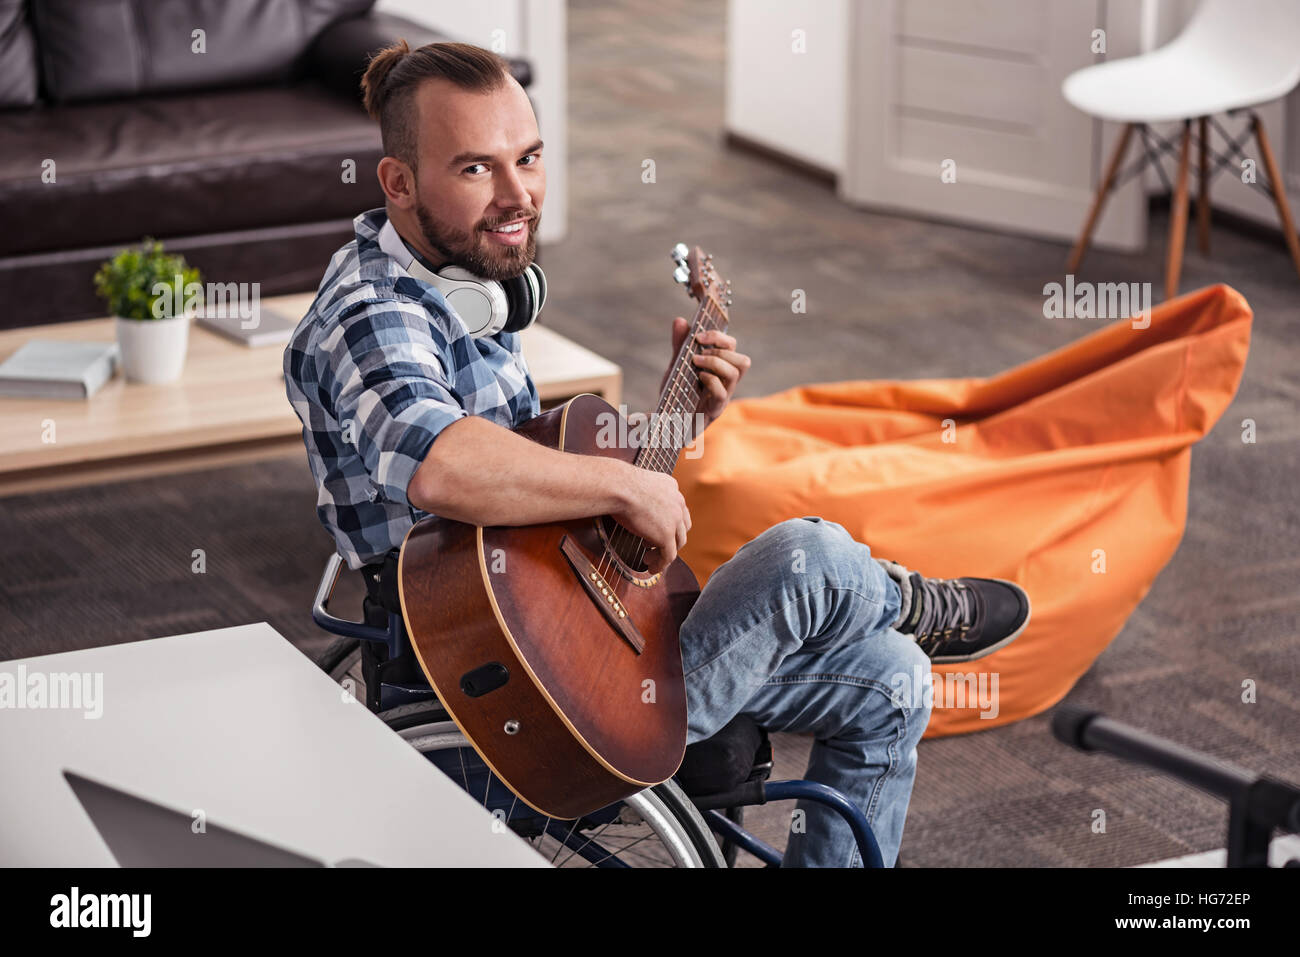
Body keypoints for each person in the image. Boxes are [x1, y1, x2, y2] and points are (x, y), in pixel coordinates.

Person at [283, 40, 1031, 867]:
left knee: (894, 679)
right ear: (398, 183)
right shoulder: (370, 311)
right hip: (508, 684)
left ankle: (893, 624)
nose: (516, 195)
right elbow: (444, 463)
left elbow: (543, 500)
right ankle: (907, 597)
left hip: (571, 624)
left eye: (528, 159)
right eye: (475, 169)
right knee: (806, 558)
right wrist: (617, 480)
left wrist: (680, 429)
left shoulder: (470, 289)